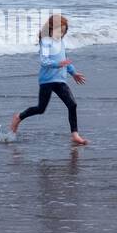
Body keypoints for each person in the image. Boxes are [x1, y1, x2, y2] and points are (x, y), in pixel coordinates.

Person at [10, 13, 87, 145]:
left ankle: (75, 135)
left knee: (72, 105)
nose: (60, 34)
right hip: (47, 81)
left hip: (60, 81)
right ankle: (18, 117)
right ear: (51, 29)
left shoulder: (61, 43)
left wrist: (73, 73)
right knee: (41, 109)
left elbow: (64, 60)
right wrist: (58, 64)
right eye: (58, 31)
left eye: (63, 32)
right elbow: (44, 61)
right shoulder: (45, 42)